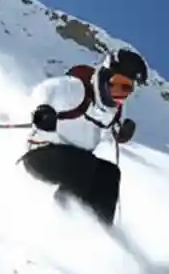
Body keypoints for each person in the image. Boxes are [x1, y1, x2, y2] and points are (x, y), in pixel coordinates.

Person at [20, 48, 148, 225]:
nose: (120, 94)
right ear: (104, 76)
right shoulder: (76, 88)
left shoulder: (115, 112)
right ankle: (61, 221)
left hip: (77, 164)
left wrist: (121, 134)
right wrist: (42, 111)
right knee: (84, 163)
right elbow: (42, 91)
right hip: (41, 155)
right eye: (117, 83)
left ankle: (99, 229)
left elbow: (107, 134)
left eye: (127, 89)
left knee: (109, 173)